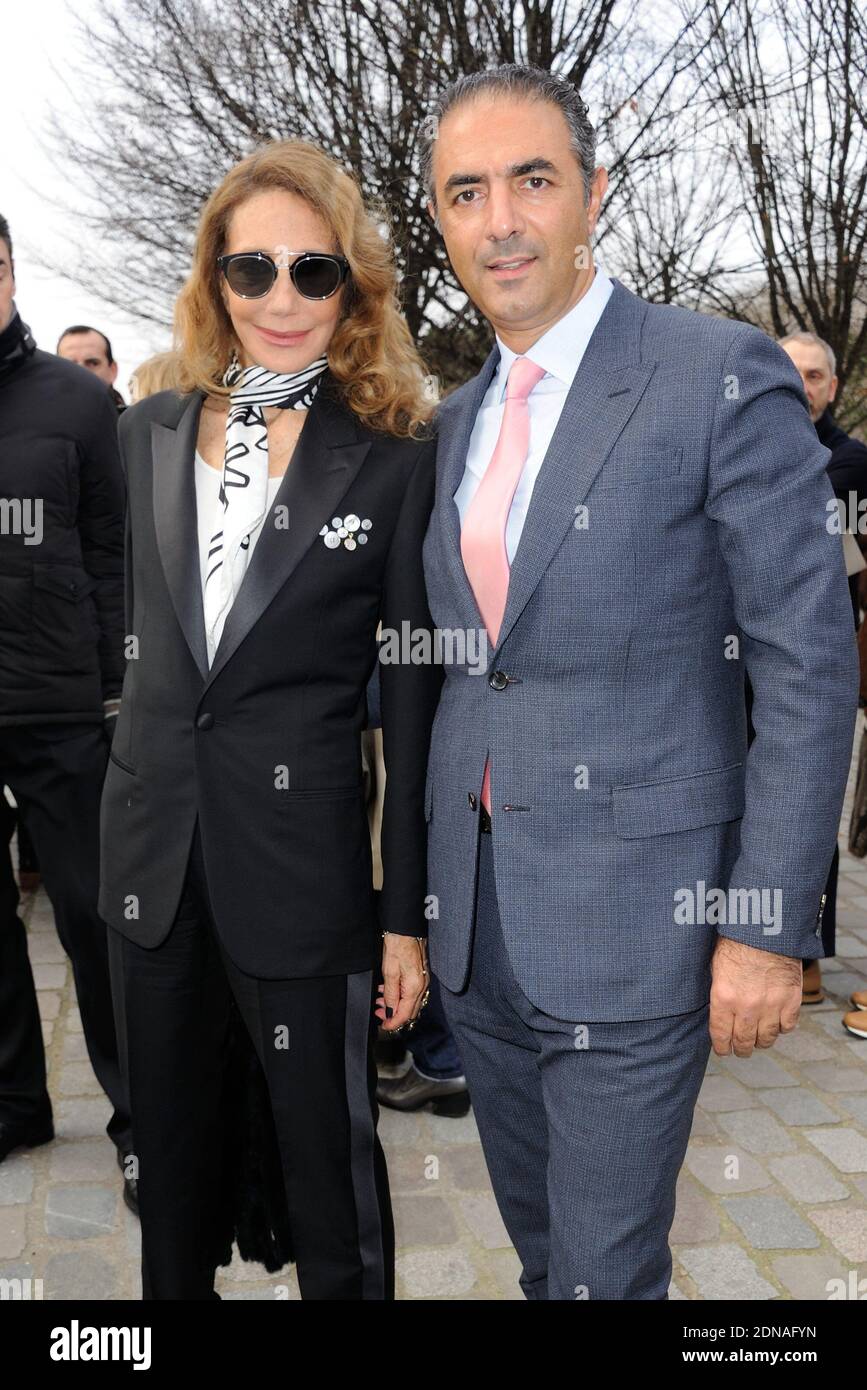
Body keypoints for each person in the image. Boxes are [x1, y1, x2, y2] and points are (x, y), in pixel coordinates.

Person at [419, 65, 858, 1301]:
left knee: (605, 1277)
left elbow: (806, 661)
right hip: (482, 923)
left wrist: (766, 927)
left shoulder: (714, 373)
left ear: (593, 195)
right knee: (546, 1259)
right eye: (466, 192)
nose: (500, 217)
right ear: (443, 221)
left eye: (532, 180)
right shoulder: (453, 421)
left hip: (638, 922)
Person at [98, 140, 441, 1300]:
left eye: (313, 269)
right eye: (252, 270)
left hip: (305, 883)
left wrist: (406, 922)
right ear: (213, 280)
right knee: (170, 1190)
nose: (281, 298)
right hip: (154, 872)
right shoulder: (142, 435)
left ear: (353, 288)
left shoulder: (392, 463)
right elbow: (142, 647)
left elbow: (413, 709)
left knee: (331, 1190)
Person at [0, 213, 135, 1212]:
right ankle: (15, 1103)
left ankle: (145, 1124)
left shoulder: (78, 402)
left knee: (96, 918)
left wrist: (116, 690)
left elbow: (115, 555)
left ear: (8, 267)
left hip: (63, 710)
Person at [778, 331, 867, 1011]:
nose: (802, 385)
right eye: (789, 373)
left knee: (803, 800)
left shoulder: (849, 463)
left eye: (813, 375)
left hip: (811, 661)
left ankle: (805, 951)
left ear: (831, 387)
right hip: (730, 657)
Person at [57, 324, 127, 413]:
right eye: (69, 365)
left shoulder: (137, 425)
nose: (81, 372)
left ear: (112, 370)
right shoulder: (38, 422)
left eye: (92, 363)